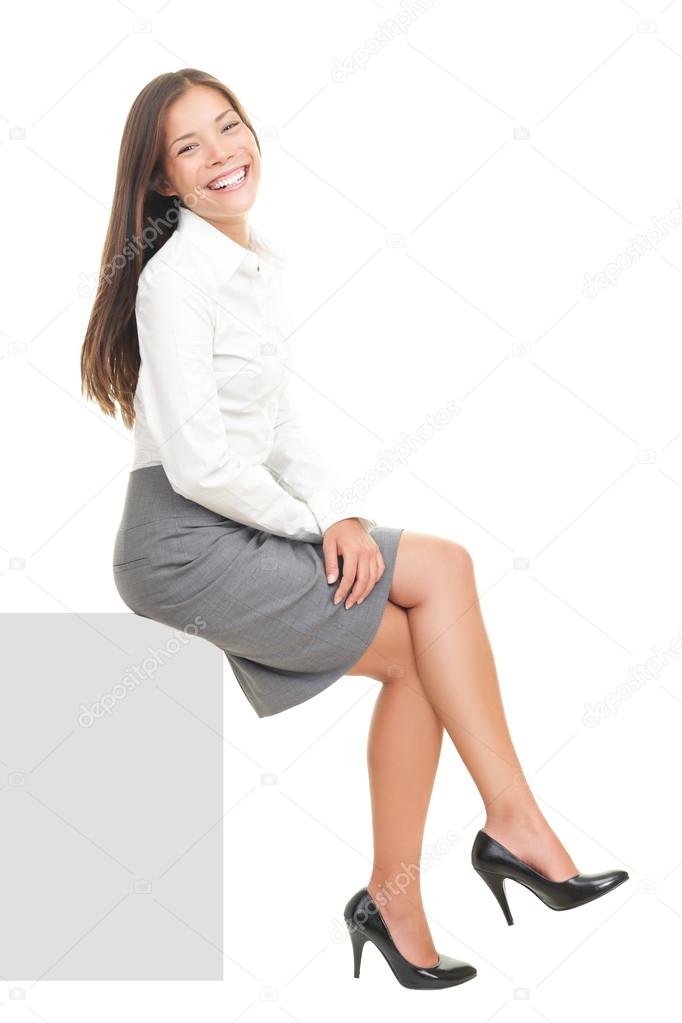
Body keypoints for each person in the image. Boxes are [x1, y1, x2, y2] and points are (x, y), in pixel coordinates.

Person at [80, 68, 628, 991]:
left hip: (224, 517)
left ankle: (396, 897)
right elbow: (202, 465)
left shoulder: (248, 262)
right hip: (181, 541)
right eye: (189, 147)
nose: (222, 154)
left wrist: (337, 513)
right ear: (163, 181)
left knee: (419, 650)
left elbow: (278, 424)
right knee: (441, 569)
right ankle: (515, 824)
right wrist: (319, 528)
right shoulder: (176, 281)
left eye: (229, 126)